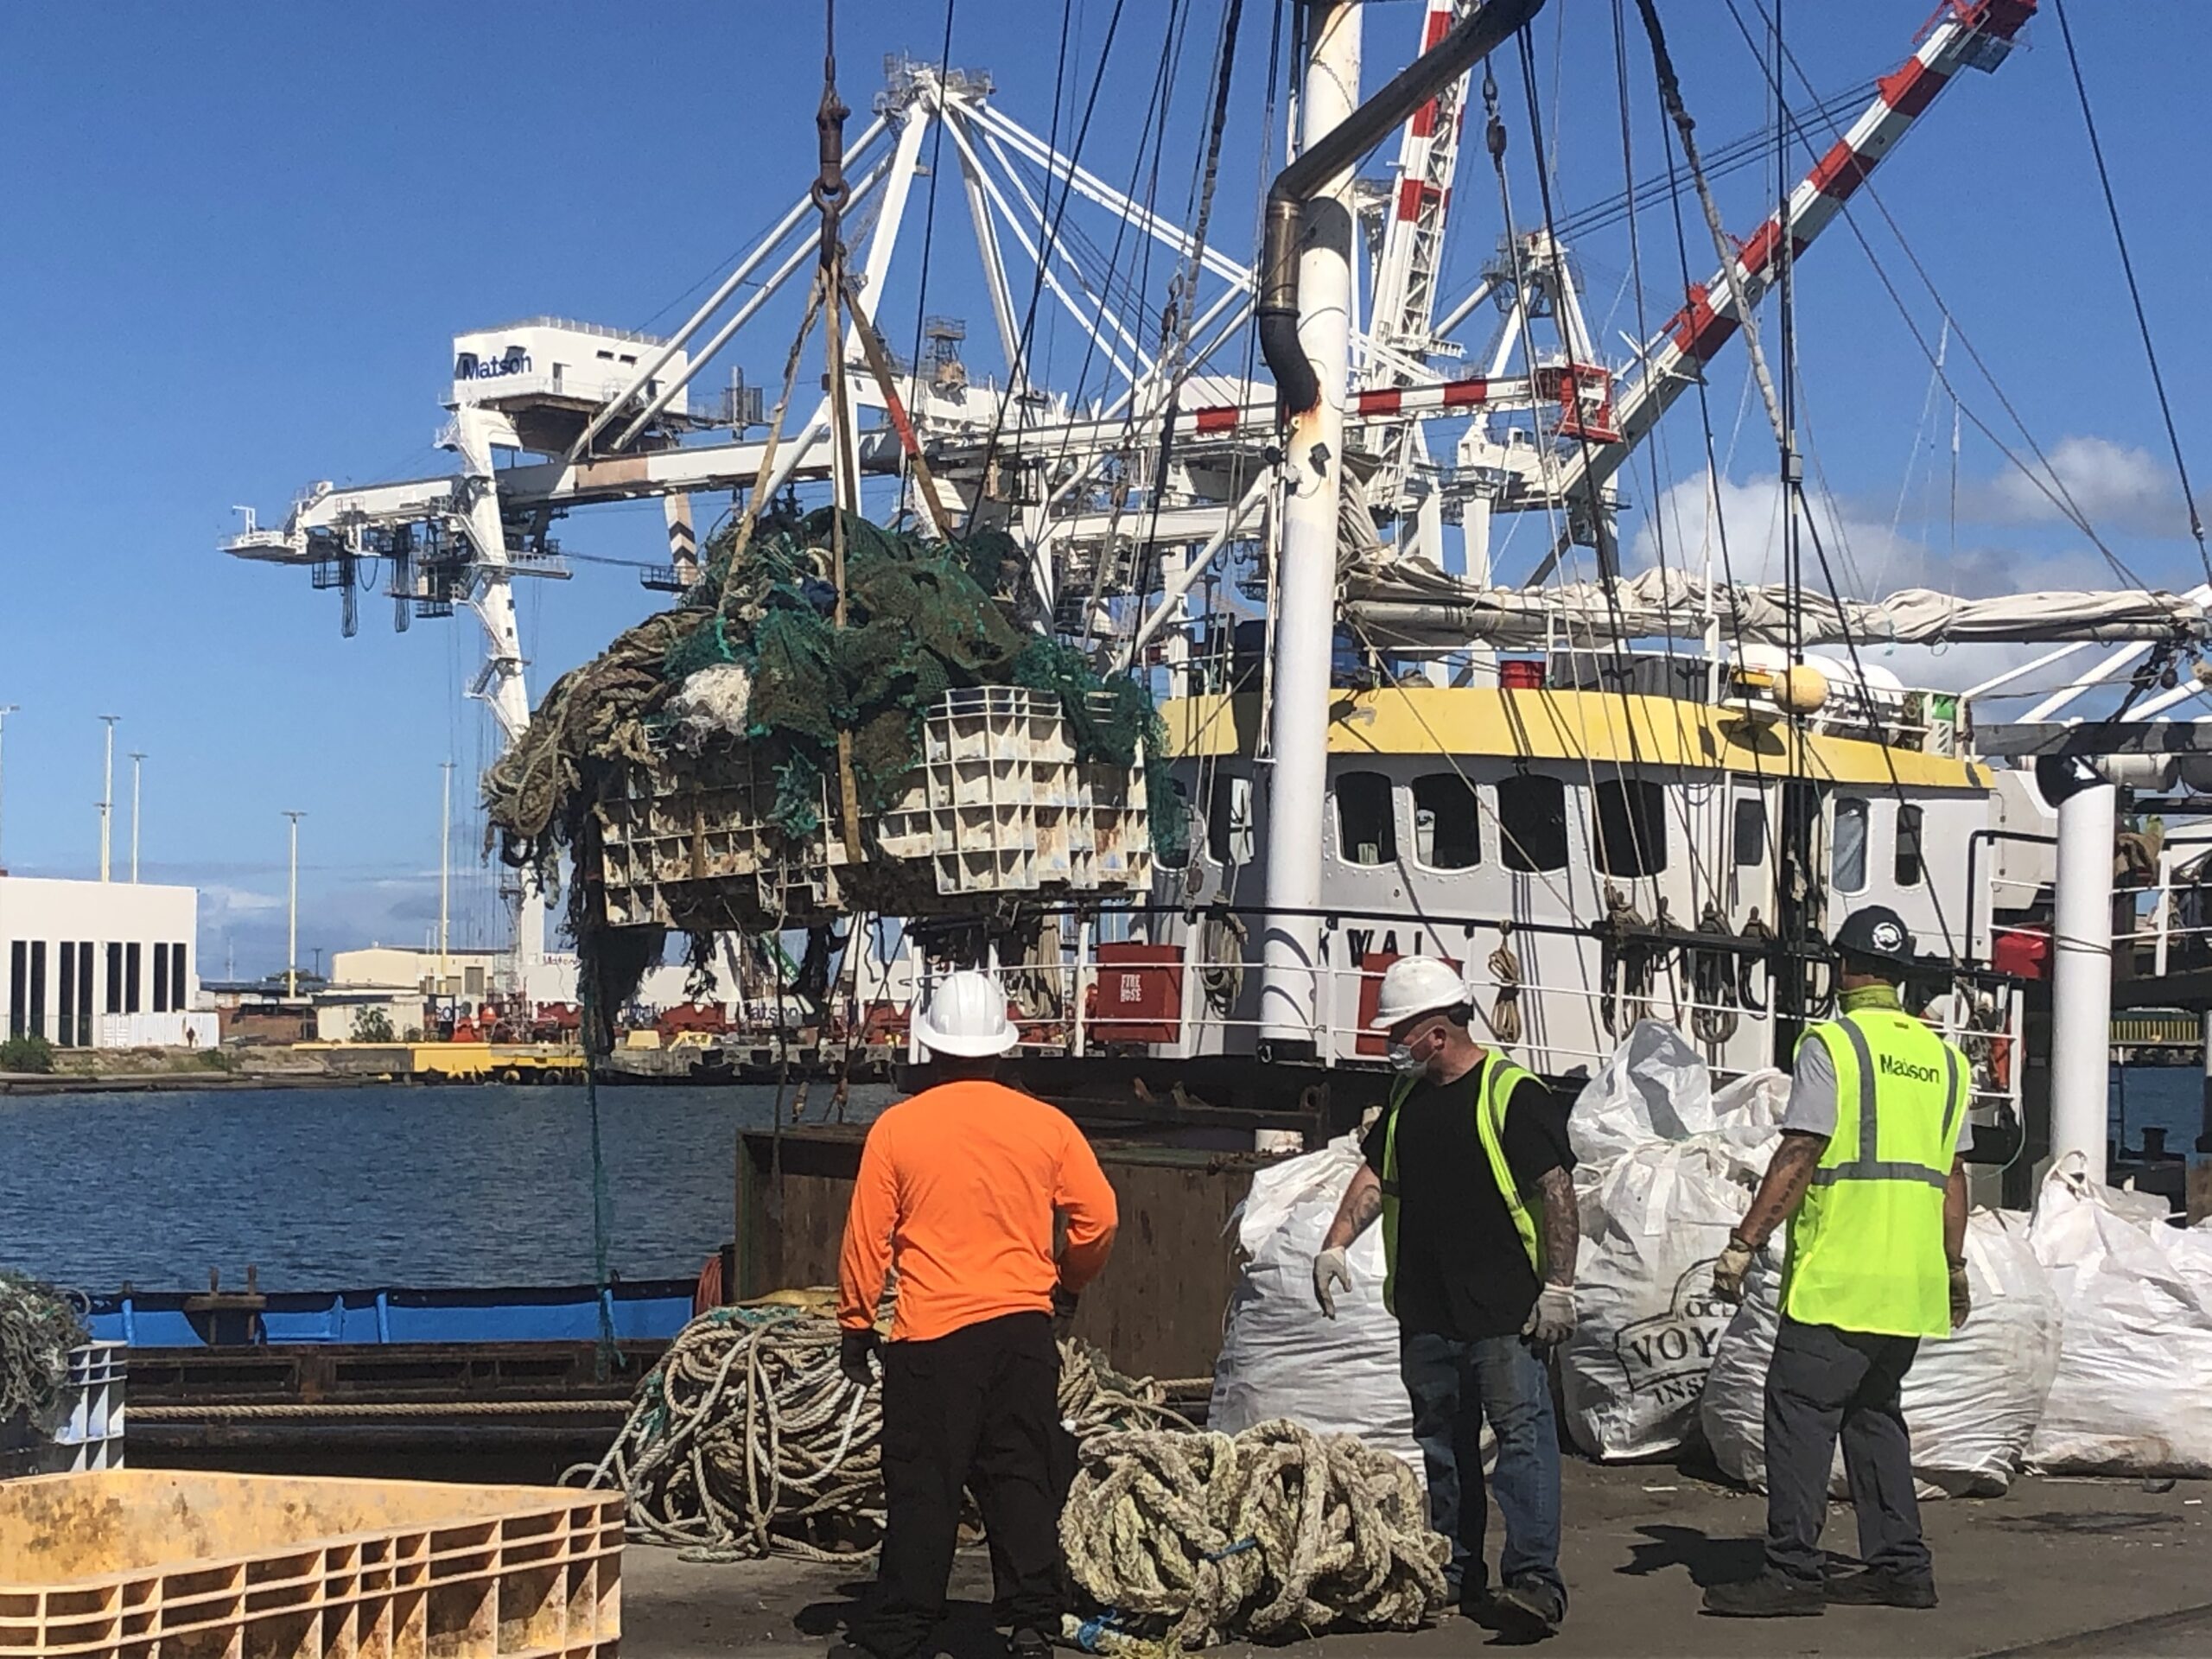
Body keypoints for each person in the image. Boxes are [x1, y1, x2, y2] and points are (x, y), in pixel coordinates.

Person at [831, 969, 1119, 1659]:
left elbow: (866, 1237)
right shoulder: (1047, 1125)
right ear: (1001, 1048)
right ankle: (1030, 1625)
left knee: (924, 1484)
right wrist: (1067, 1285)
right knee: (1021, 1475)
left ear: (930, 1048)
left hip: (931, 1337)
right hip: (1021, 1330)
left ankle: (901, 1630)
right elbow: (1098, 1217)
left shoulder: (898, 1129)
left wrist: (854, 1324)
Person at [1702, 906, 1973, 1618]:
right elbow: (1953, 1176)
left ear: (1843, 969)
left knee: (1799, 1412)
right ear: (1904, 976)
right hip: (1910, 1284)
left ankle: (1791, 1571)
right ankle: (1902, 1567)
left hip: (1842, 1277)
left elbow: (1802, 1150)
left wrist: (1744, 1242)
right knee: (1875, 1416)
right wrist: (1954, 1267)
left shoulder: (1833, 1044)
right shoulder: (1947, 1059)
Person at [1312, 955, 1579, 1639]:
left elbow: (1555, 1192)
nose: (1390, 1044)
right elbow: (1377, 1172)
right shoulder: (1406, 1100)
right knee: (1443, 1442)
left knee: (1522, 1440)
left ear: (1438, 1032)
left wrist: (1558, 1288)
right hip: (1427, 1307)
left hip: (1502, 1307)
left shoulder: (1512, 1094)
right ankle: (1457, 1571)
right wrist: (1336, 1242)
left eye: (1399, 1031)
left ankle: (1534, 1583)